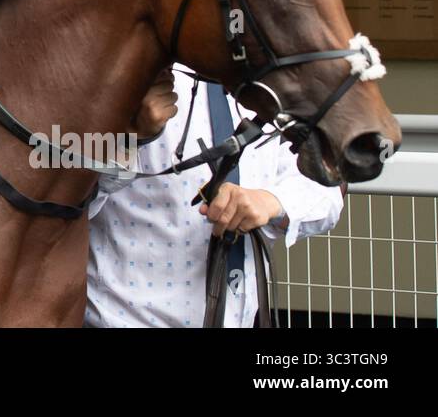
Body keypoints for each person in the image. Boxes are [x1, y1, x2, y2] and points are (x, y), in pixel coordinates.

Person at [86, 64, 344, 327]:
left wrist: (271, 202)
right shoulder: (113, 69)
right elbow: (63, 202)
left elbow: (325, 191)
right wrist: (130, 138)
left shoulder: (267, 83)